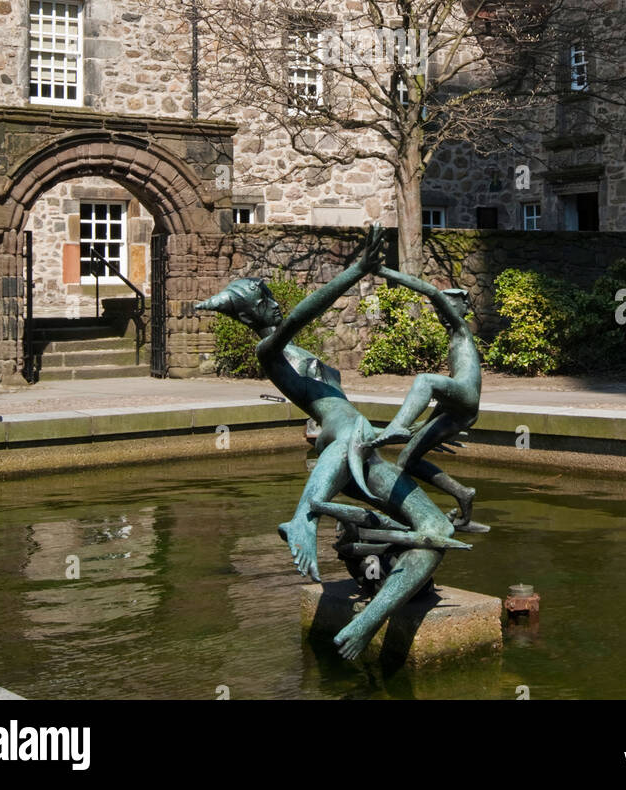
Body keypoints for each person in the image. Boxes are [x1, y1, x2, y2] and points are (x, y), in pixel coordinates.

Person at [195, 225, 464, 660]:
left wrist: (419, 431)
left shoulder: (294, 351)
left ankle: (362, 616)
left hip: (361, 443)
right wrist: (357, 271)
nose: (273, 301)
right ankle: (306, 516)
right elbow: (304, 315)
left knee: (438, 531)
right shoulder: (270, 350)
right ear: (249, 317)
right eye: (263, 300)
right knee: (425, 528)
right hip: (344, 440)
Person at [363, 266, 486, 530]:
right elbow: (446, 398)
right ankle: (463, 494)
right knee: (406, 460)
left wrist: (381, 271)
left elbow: (429, 290)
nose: (443, 314)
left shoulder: (461, 330)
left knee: (425, 380)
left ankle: (396, 424)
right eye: (441, 311)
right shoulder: (453, 338)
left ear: (462, 310)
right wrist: (425, 425)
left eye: (448, 309)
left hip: (467, 395)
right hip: (460, 410)